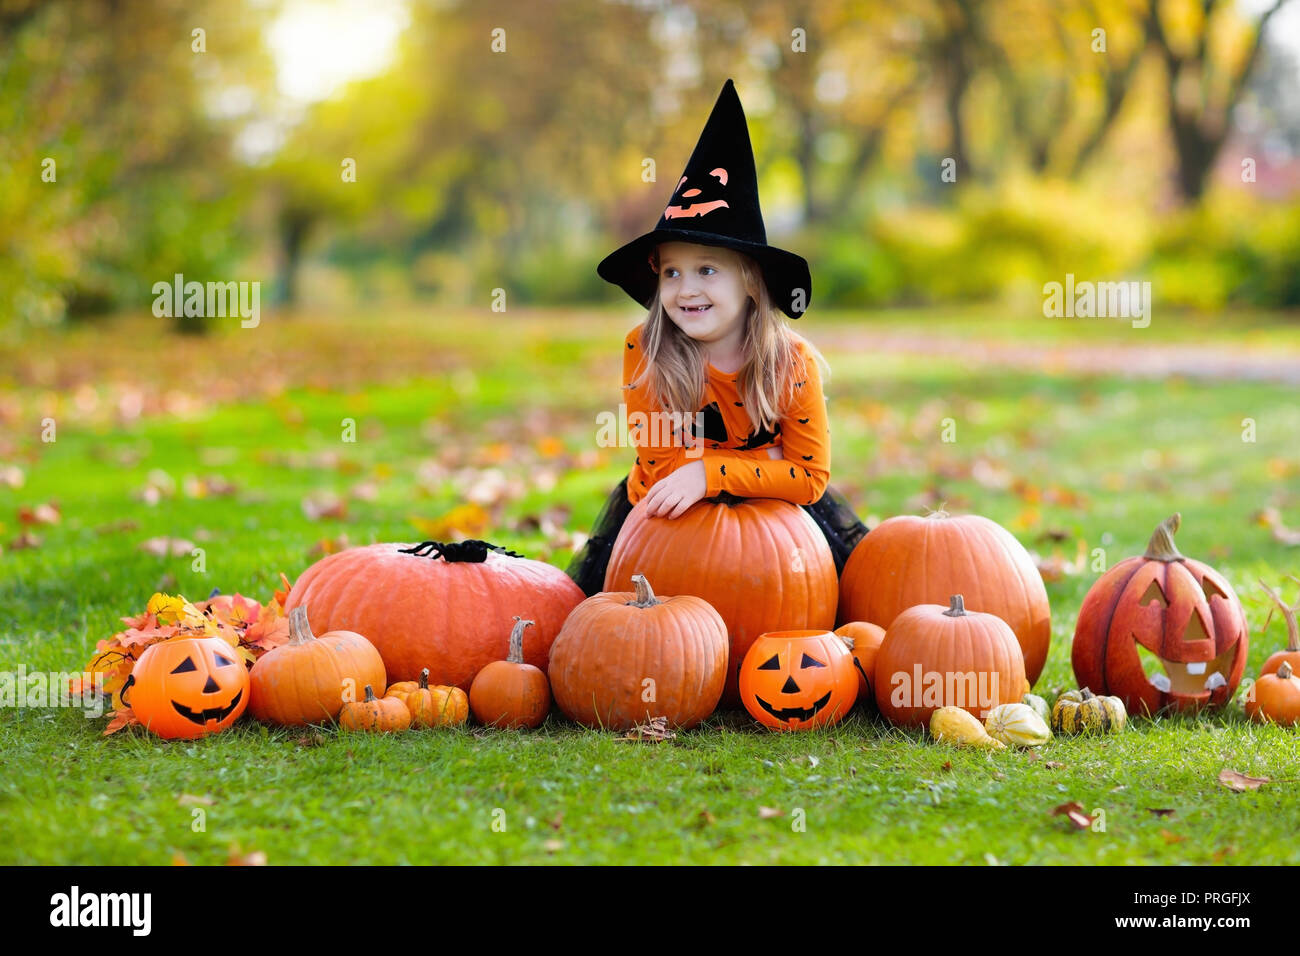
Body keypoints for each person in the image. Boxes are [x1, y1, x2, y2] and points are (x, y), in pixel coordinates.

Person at [566, 78, 868, 596]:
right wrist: (768, 460)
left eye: (707, 270)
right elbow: (662, 465)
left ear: (752, 281)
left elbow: (810, 478)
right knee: (631, 629)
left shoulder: (792, 363)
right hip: (668, 527)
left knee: (819, 613)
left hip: (775, 535)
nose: (686, 290)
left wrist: (709, 472)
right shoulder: (646, 352)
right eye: (672, 273)